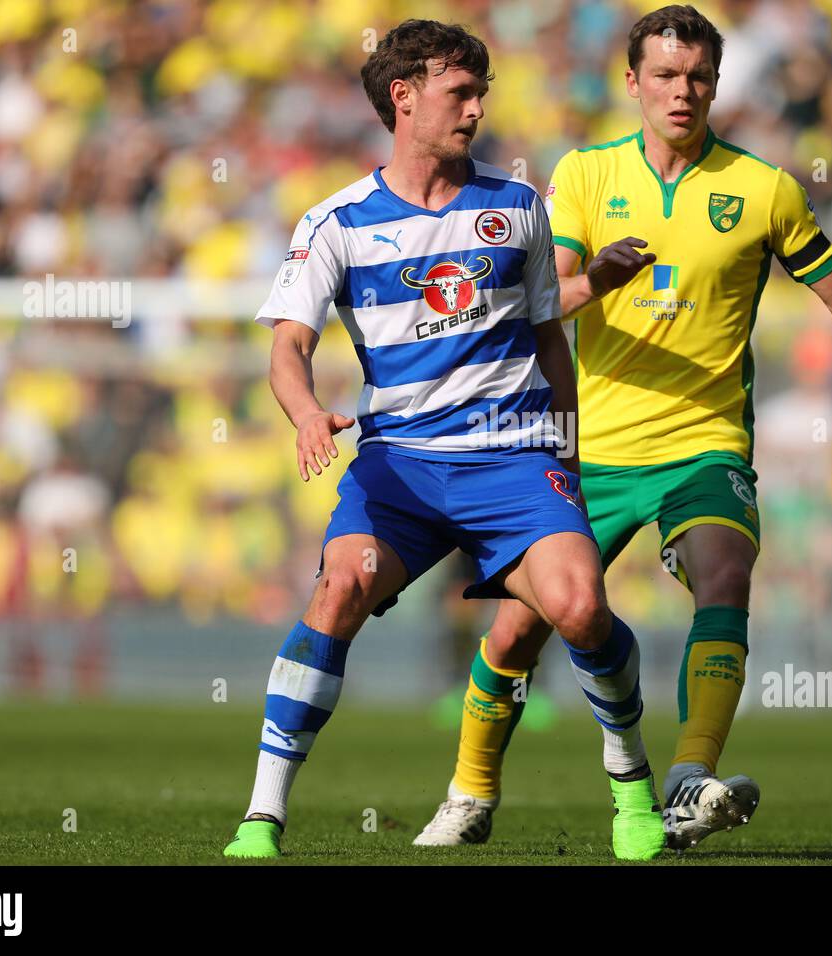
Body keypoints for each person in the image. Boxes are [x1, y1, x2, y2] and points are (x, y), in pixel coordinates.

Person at [414, 4, 832, 852]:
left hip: (704, 441)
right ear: (631, 82)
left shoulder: (764, 188)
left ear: (716, 83)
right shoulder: (586, 175)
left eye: (698, 76)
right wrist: (599, 274)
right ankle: (471, 790)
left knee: (725, 572)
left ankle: (688, 778)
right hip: (585, 448)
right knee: (520, 628)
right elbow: (538, 304)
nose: (683, 91)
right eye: (665, 75)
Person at [223, 18, 666, 862]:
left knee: (578, 607)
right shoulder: (337, 222)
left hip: (516, 456)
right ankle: (262, 818)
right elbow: (288, 344)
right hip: (401, 465)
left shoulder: (516, 205)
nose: (477, 107)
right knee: (339, 590)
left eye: (481, 91)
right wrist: (308, 413)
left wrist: (565, 449)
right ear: (404, 97)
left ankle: (631, 779)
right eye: (460, 92)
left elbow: (545, 332)